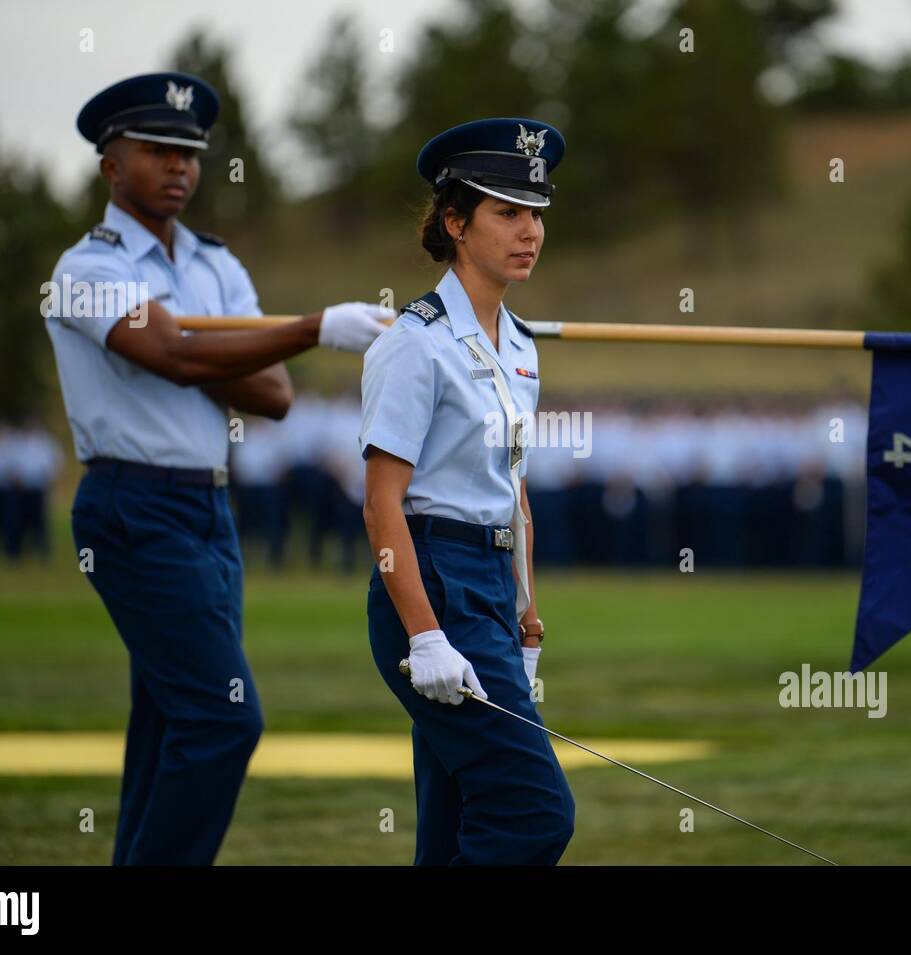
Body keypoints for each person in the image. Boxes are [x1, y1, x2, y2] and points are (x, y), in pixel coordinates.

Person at [46, 72, 393, 865]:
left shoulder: (212, 265)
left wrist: (202, 351)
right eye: (158, 150)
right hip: (131, 505)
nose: (179, 167)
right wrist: (307, 328)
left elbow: (271, 395)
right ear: (110, 166)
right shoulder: (87, 268)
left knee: (171, 718)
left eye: (191, 154)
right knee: (223, 719)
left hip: (207, 507)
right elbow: (166, 353)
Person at [361, 117, 575, 865]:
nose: (530, 231)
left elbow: (513, 491)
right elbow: (382, 501)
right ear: (455, 222)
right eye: (507, 212)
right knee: (534, 809)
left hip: (489, 587)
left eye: (537, 213)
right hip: (432, 583)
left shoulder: (518, 344)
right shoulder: (413, 342)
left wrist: (528, 616)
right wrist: (423, 633)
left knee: (455, 822)